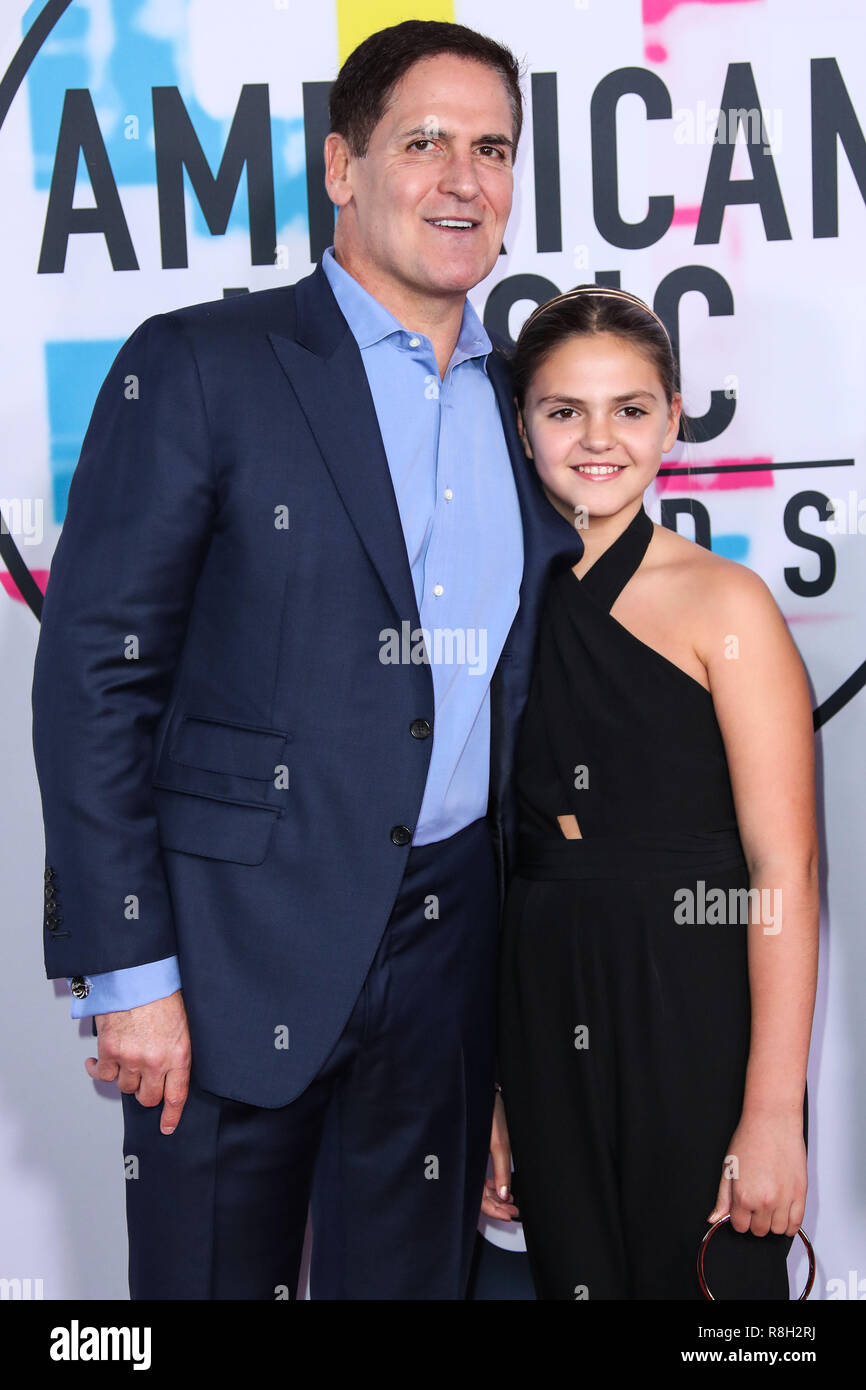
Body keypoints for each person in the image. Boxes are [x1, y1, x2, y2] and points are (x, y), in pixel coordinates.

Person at [30, 20, 580, 1300]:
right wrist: (127, 974)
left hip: (449, 958)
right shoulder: (201, 366)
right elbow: (93, 680)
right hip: (225, 964)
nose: (462, 179)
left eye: (490, 149)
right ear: (340, 168)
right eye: (424, 142)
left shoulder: (524, 406)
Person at [497, 284, 819, 1300]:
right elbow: (474, 856)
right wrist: (492, 1091)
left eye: (629, 409)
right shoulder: (482, 603)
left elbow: (783, 868)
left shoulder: (725, 602)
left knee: (716, 1301)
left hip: (695, 994)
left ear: (673, 418)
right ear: (520, 424)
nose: (598, 439)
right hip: (540, 996)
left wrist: (770, 1109)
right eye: (563, 411)